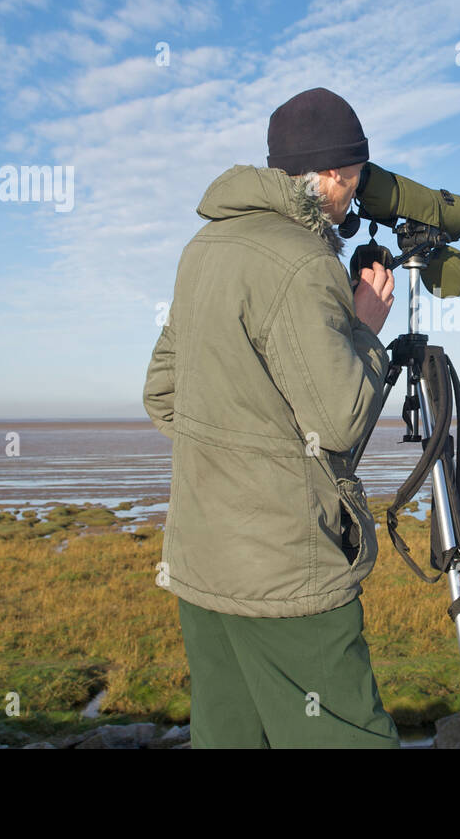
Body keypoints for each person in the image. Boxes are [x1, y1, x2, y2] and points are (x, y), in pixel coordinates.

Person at [142, 87, 399, 748]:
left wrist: (237, 464)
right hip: (286, 574)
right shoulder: (305, 261)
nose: (357, 194)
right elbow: (340, 421)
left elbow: (163, 393)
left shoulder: (204, 248)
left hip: (202, 563)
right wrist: (366, 329)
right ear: (336, 175)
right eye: (357, 176)